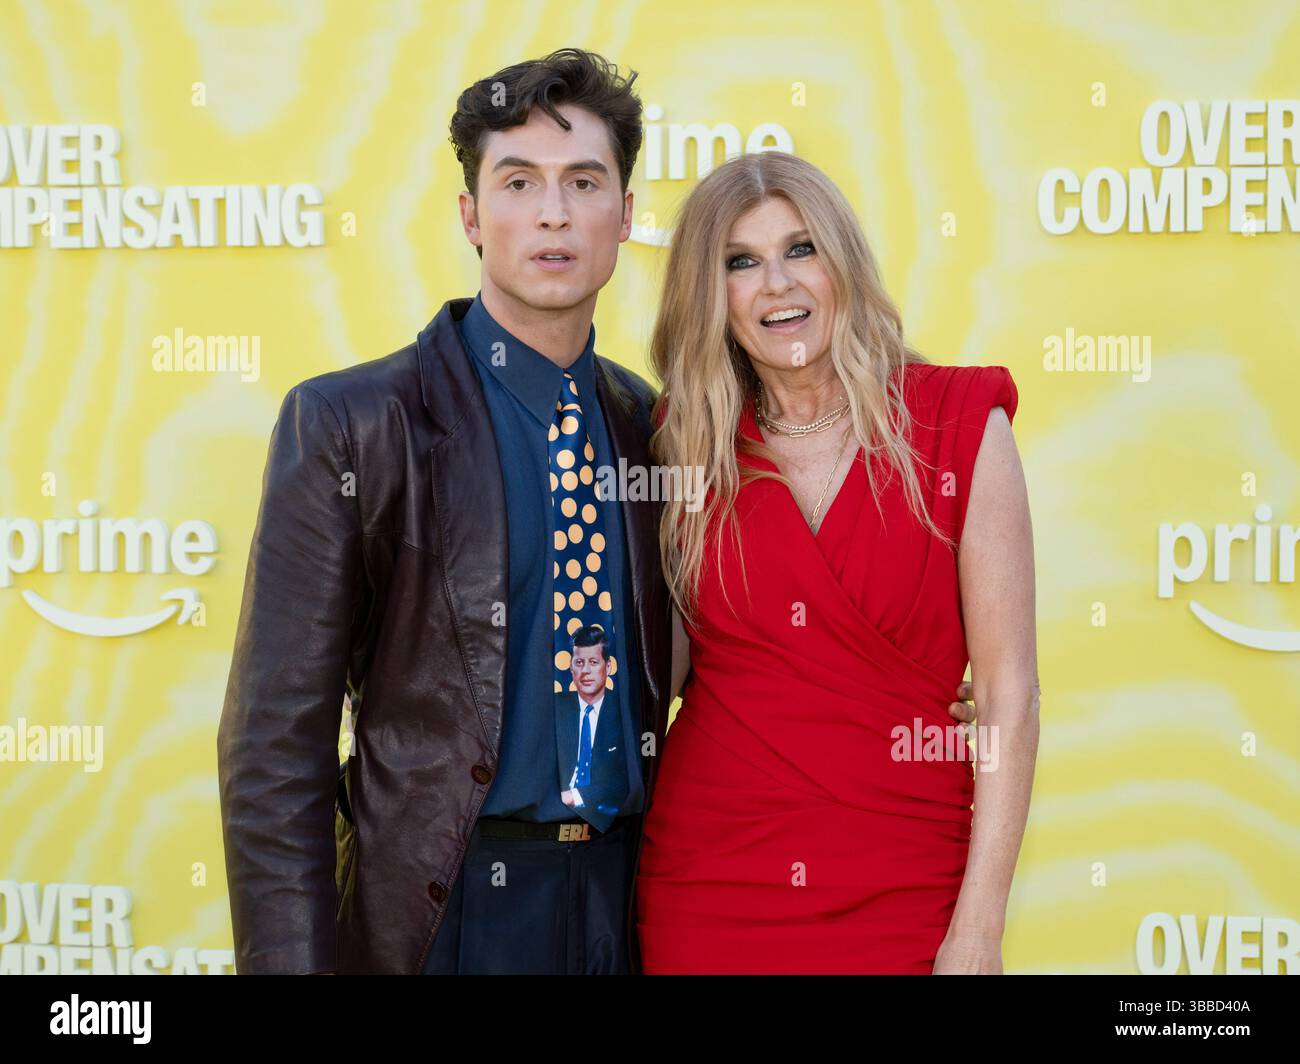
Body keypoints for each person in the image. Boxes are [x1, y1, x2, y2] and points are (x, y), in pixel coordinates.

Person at [216, 48, 673, 975]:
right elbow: (274, 748)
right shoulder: (353, 423)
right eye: (518, 182)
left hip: (628, 908)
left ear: (625, 215)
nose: (553, 212)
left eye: (584, 181)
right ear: (470, 214)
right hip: (448, 908)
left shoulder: (653, 426)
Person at [635, 150, 1040, 974]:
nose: (776, 285)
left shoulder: (959, 424)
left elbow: (1008, 692)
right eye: (740, 263)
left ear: (842, 265)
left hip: (908, 879)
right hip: (708, 882)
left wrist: (980, 928)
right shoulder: (688, 440)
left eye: (801, 249)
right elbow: (661, 670)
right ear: (712, 298)